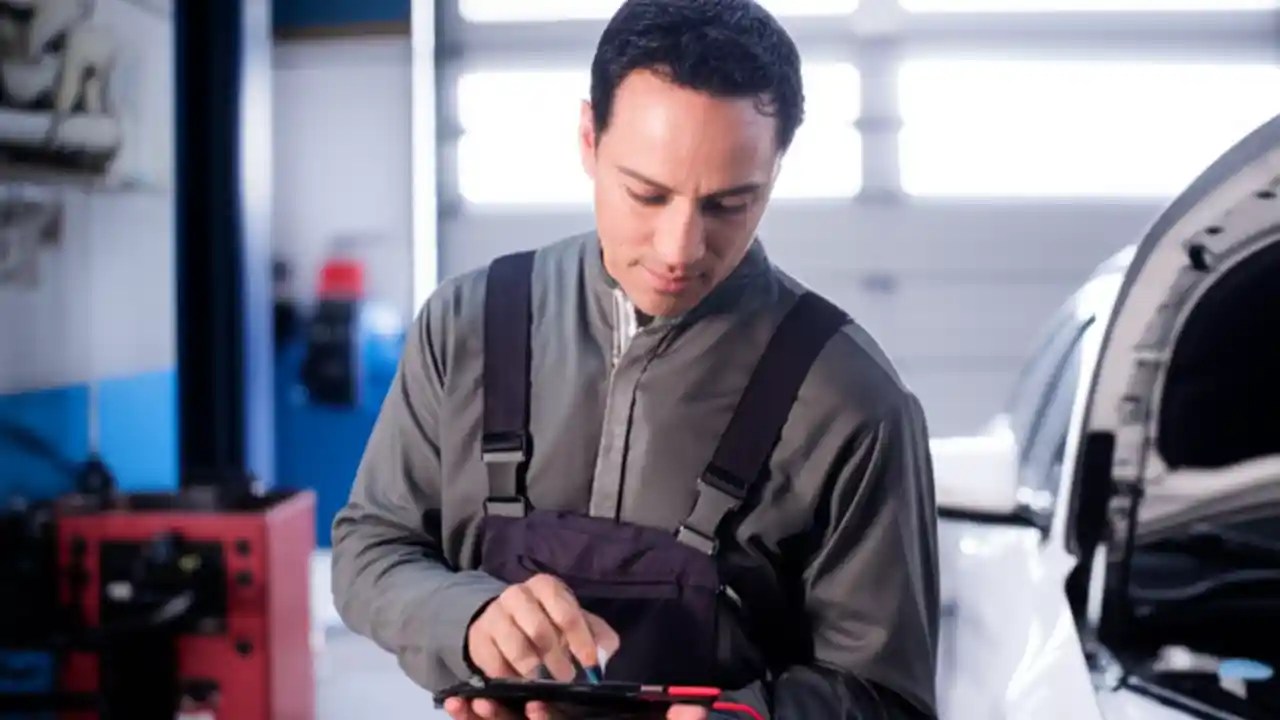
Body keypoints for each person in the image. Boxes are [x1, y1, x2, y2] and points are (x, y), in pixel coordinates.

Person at [331, 1, 940, 718]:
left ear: (776, 171)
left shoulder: (852, 402)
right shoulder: (466, 327)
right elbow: (370, 548)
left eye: (729, 205)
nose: (679, 249)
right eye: (646, 194)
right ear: (589, 138)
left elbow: (886, 698)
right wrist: (464, 618)